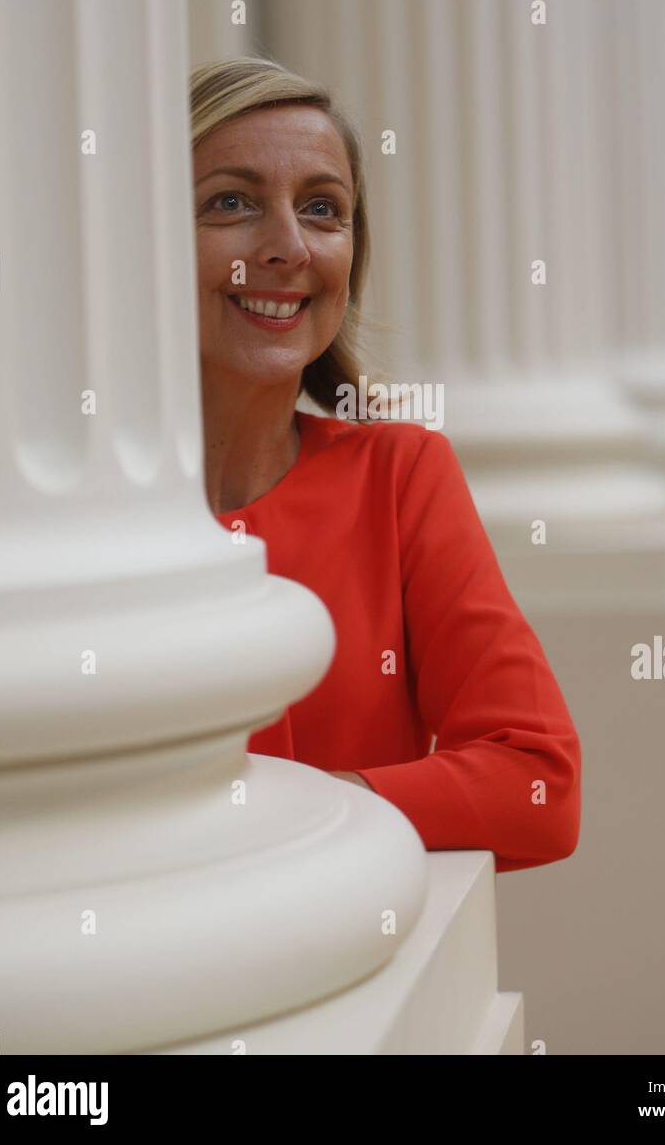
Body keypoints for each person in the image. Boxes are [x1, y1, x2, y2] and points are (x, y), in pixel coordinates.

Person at [191, 55, 581, 874]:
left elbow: (539, 785)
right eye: (231, 202)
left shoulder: (402, 476)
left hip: (352, 977)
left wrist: (307, 814)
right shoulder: (77, 526)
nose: (288, 246)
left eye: (323, 210)